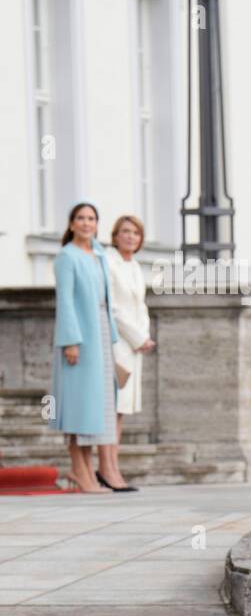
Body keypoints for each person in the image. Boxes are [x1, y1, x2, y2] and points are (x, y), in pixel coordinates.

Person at [49, 202, 120, 494]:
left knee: (96, 408)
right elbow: (65, 300)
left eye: (91, 218)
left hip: (100, 331)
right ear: (71, 223)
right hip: (78, 338)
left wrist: (111, 335)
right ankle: (79, 470)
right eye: (81, 218)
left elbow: (107, 297)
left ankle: (88, 472)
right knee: (78, 406)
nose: (86, 223)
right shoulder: (67, 257)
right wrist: (70, 341)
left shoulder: (100, 255)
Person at [102, 215, 156, 492]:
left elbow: (141, 306)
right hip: (118, 342)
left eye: (135, 232)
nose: (130, 237)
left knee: (121, 411)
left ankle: (113, 466)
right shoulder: (108, 263)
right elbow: (114, 307)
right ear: (115, 236)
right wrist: (137, 337)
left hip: (135, 344)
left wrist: (144, 337)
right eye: (125, 232)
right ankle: (107, 468)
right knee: (113, 407)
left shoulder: (134, 266)